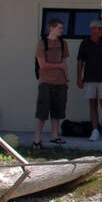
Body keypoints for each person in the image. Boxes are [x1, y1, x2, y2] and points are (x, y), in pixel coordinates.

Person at [33, 19, 70, 149]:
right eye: (59, 28)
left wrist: (67, 79)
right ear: (51, 28)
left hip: (60, 82)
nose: (61, 30)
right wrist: (58, 66)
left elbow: (64, 62)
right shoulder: (42, 43)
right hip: (46, 82)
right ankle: (37, 139)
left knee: (58, 111)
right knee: (42, 112)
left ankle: (55, 136)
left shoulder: (63, 43)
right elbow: (42, 65)